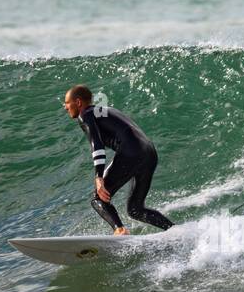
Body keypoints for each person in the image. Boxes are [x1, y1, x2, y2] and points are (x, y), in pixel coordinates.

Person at [62, 85, 174, 235]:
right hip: (149, 152)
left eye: (67, 103)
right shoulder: (107, 110)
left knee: (98, 198)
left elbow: (97, 145)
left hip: (131, 152)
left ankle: (120, 230)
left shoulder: (86, 114)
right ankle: (176, 231)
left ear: (78, 102)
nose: (65, 107)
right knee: (135, 209)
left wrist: (99, 177)